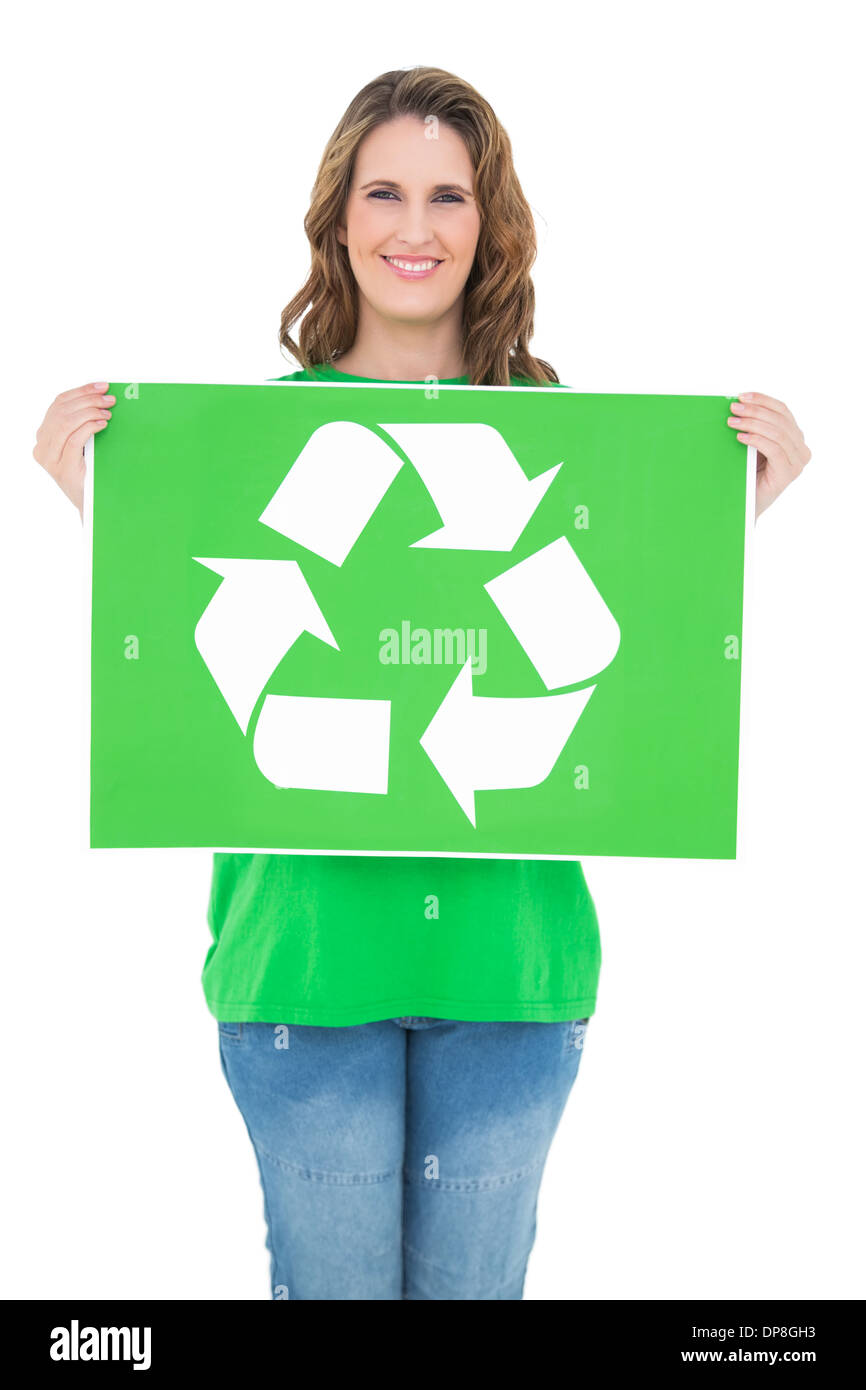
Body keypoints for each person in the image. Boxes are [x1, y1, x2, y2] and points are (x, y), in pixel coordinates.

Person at [32, 66, 812, 1301]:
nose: (413, 227)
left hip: (506, 969)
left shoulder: (566, 439)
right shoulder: (236, 442)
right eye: (381, 191)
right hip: (304, 967)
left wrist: (727, 518)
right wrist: (106, 506)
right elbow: (193, 655)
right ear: (336, 216)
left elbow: (622, 653)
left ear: (487, 222)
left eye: (447, 196)